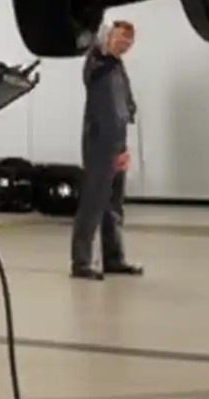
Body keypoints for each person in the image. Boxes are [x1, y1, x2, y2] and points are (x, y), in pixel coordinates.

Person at [70, 19, 144, 281]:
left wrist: (122, 147)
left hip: (117, 142)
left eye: (129, 40)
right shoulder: (98, 64)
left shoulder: (116, 66)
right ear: (107, 37)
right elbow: (108, 110)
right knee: (93, 202)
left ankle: (113, 258)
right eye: (121, 37)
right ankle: (81, 262)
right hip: (100, 143)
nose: (125, 43)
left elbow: (124, 107)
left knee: (113, 204)